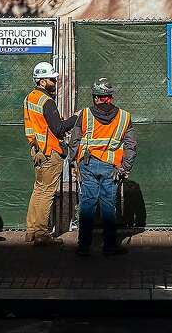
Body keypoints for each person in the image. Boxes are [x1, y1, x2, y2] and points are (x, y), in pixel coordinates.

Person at [70, 77, 136, 257]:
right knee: (108, 205)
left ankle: (83, 247)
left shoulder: (84, 115)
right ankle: (109, 246)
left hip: (88, 164)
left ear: (95, 97)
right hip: (112, 167)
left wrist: (72, 162)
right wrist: (125, 167)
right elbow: (131, 146)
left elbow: (75, 140)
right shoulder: (125, 117)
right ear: (110, 97)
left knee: (87, 203)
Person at [23, 61, 78, 245]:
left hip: (37, 150)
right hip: (50, 151)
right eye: (52, 79)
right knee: (47, 192)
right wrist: (75, 118)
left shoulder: (30, 97)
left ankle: (31, 230)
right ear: (42, 81)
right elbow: (58, 127)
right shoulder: (46, 101)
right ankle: (41, 234)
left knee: (38, 190)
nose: (55, 81)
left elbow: (39, 125)